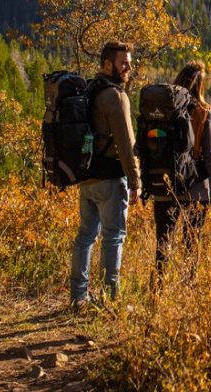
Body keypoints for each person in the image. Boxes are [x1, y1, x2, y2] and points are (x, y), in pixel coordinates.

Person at [69, 40, 140, 310]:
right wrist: (135, 180)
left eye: (129, 63)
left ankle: (78, 297)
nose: (128, 68)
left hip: (87, 177)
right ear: (107, 63)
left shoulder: (90, 89)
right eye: (123, 63)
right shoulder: (115, 96)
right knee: (113, 236)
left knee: (85, 235)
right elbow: (126, 142)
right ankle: (111, 298)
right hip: (110, 178)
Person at [152, 60, 211, 280]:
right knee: (191, 245)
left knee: (162, 244)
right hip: (195, 189)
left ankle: (156, 294)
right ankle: (187, 292)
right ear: (200, 85)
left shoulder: (163, 110)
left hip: (164, 185)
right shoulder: (204, 113)